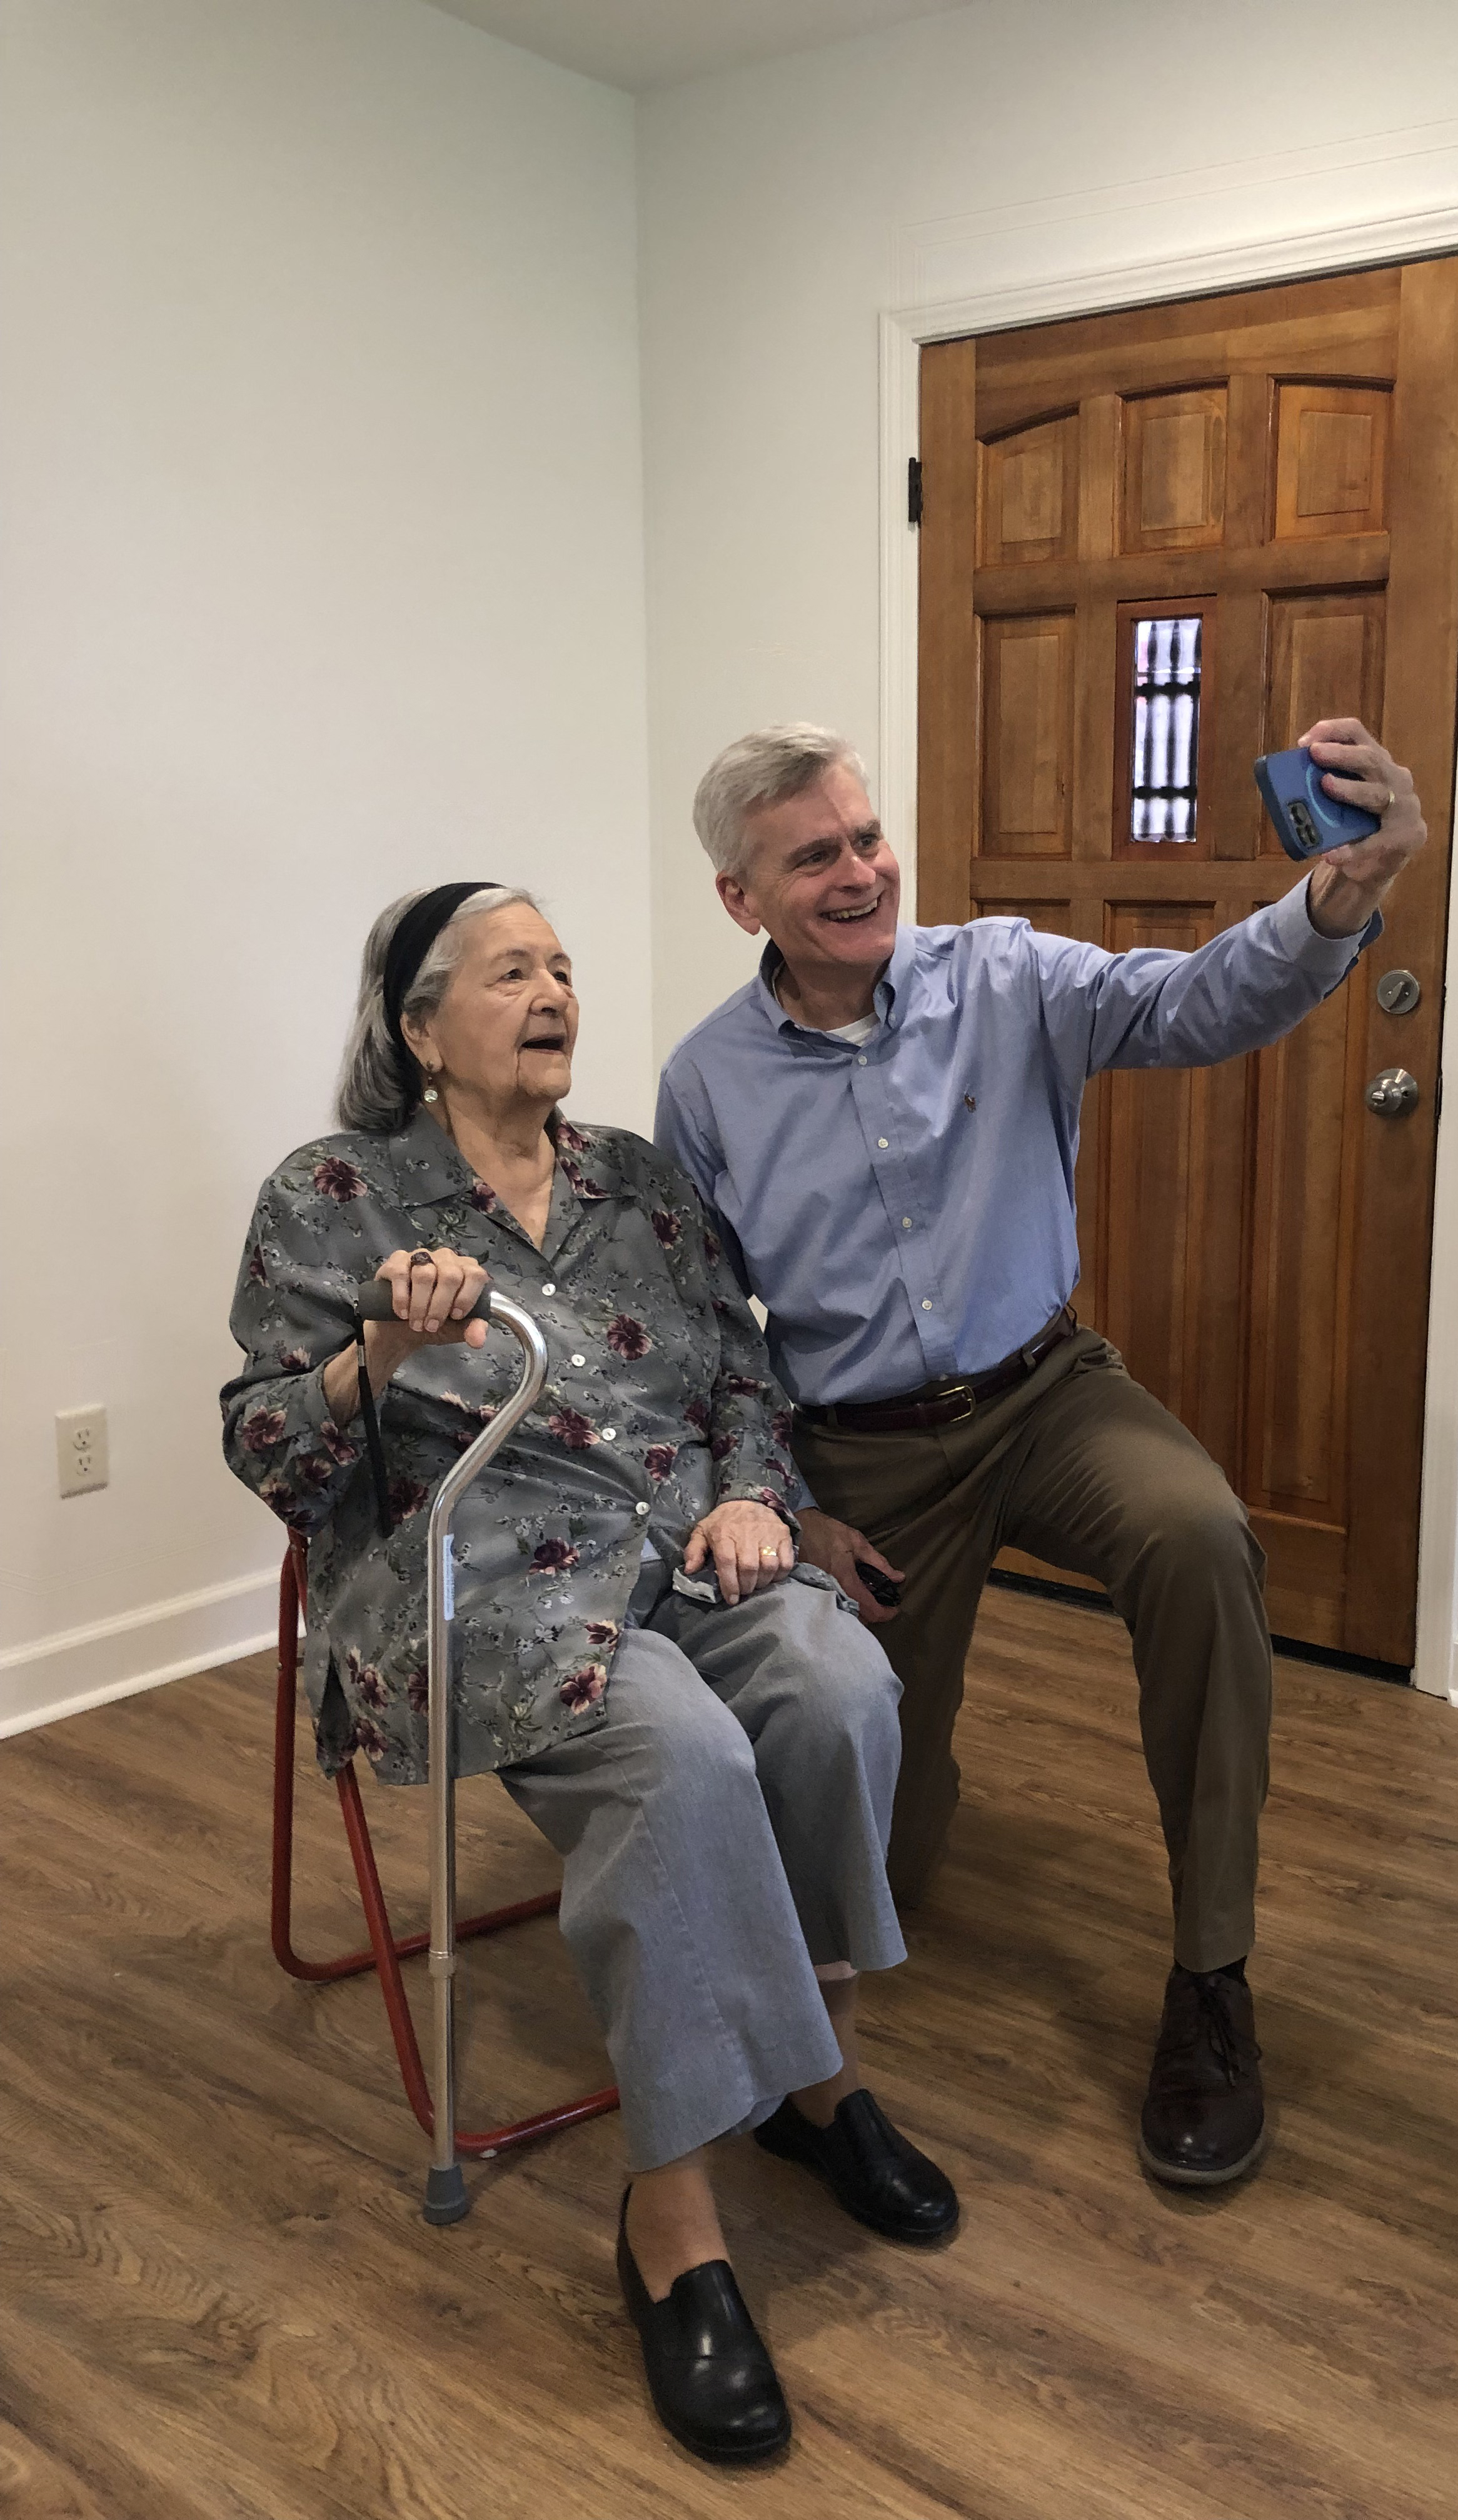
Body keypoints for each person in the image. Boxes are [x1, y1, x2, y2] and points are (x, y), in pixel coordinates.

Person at [223, 881, 956, 2466]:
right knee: (683, 1760)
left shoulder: (641, 1184)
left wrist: (760, 1490)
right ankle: (673, 2216)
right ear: (421, 1029)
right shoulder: (339, 1196)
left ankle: (814, 2079)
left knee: (840, 1692)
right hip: (479, 1583)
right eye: (509, 972)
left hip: (689, 1550)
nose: (554, 991)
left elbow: (744, 1370)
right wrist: (379, 1352)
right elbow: (270, 1444)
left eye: (562, 966)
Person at [655, 720, 1426, 2190]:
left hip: (1046, 1390)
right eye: (813, 856)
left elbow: (1194, 1004)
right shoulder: (706, 1085)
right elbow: (706, 1329)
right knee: (883, 1868)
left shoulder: (1003, 975)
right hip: (863, 1458)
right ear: (741, 900)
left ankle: (1212, 1979)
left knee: (1200, 1537)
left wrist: (1338, 899)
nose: (862, 871)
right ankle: (816, 1987)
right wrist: (782, 1500)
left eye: (867, 837)